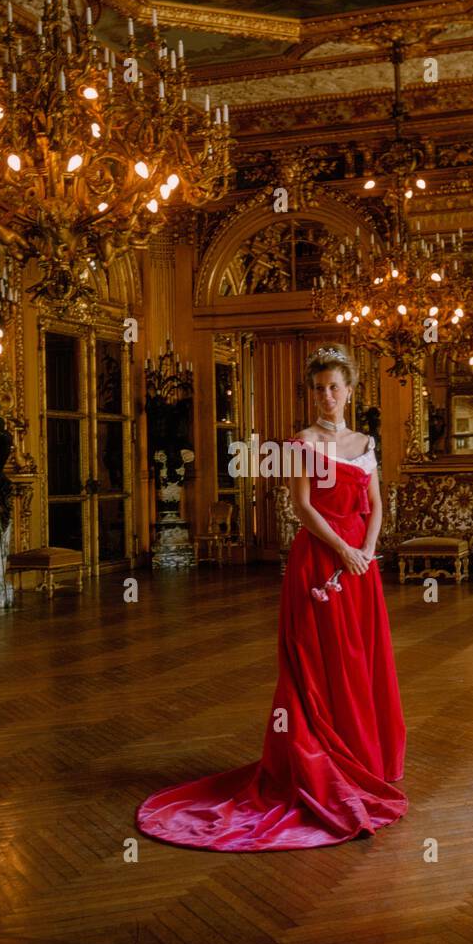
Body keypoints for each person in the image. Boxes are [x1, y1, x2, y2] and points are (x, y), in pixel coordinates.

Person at [135, 344, 408, 851]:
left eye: (334, 387)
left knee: (358, 658)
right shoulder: (301, 442)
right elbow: (303, 508)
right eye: (318, 388)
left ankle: (361, 758)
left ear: (349, 391)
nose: (326, 396)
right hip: (320, 558)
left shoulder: (366, 443)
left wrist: (366, 552)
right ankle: (315, 759)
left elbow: (375, 504)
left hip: (359, 567)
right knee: (315, 661)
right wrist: (344, 550)